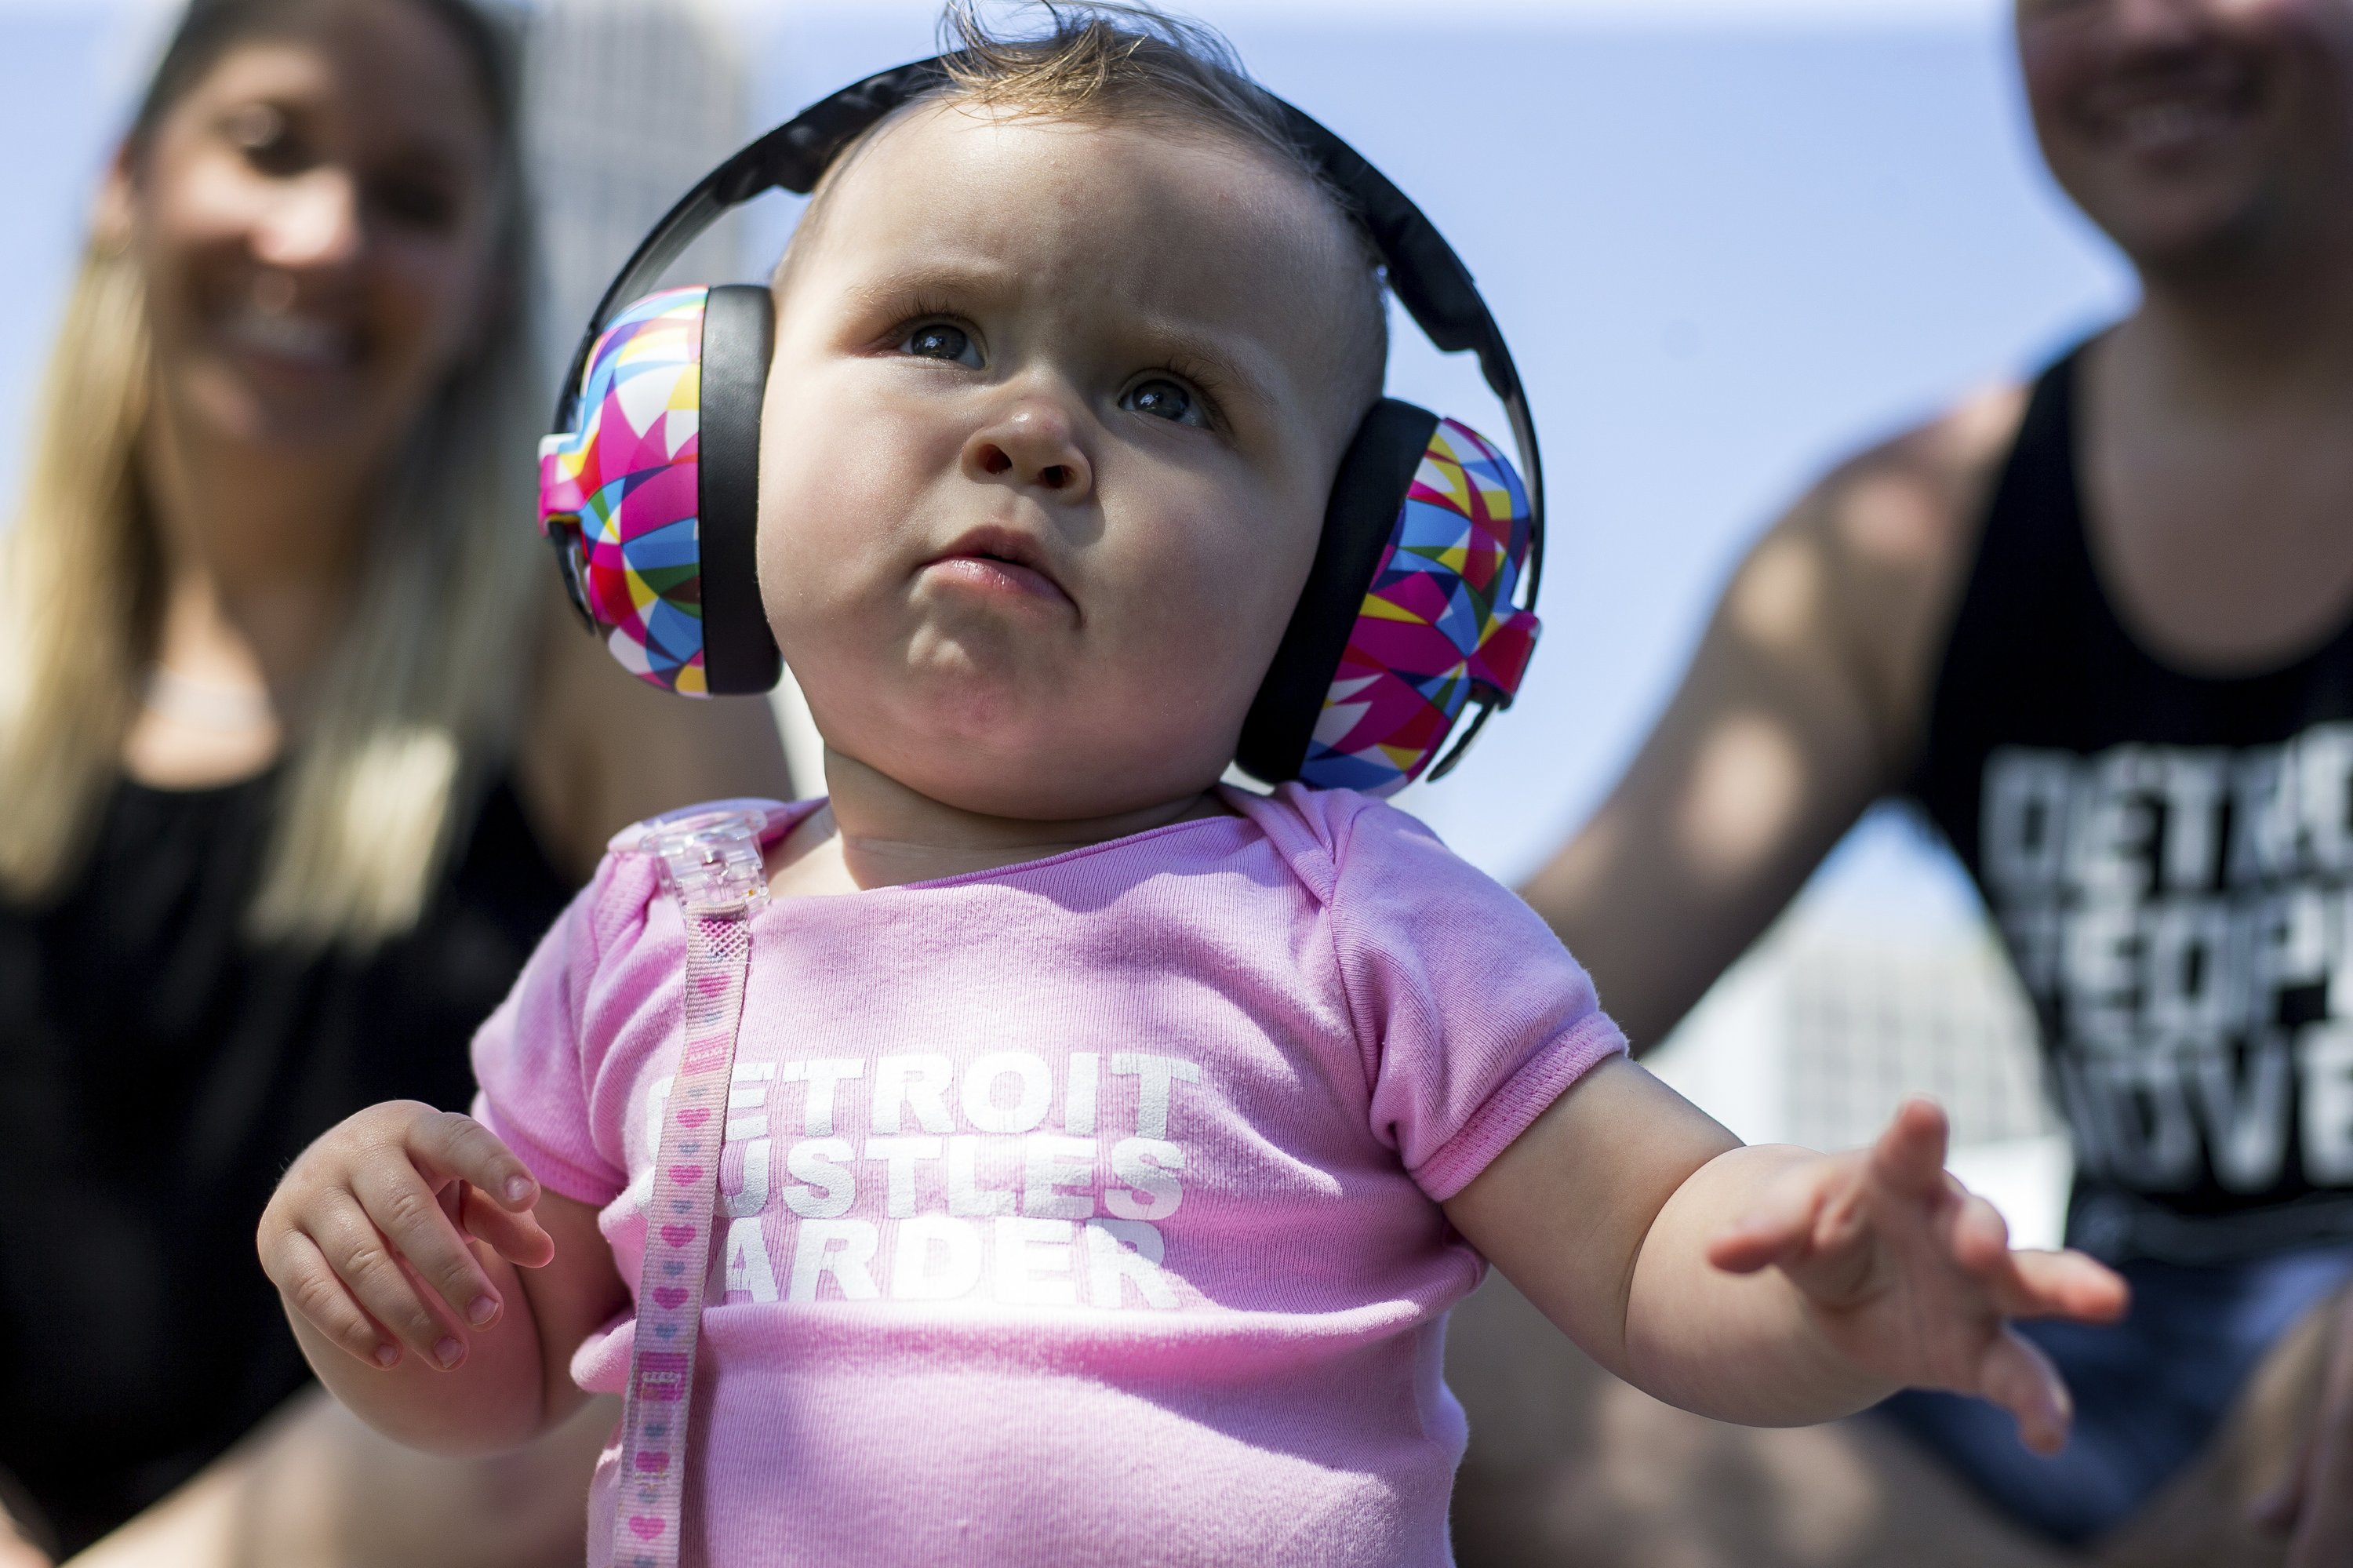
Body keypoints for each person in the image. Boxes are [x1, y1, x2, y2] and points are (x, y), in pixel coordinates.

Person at [254, 9, 2130, 1565]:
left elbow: (1646, 1244)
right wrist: (377, 1263)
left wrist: (1813, 1292)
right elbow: (505, 1371)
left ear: (1349, 591)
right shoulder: (659, 923)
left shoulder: (1354, 919)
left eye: (1169, 397)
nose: (1032, 430)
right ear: (719, 452)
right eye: (936, 335)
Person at [1449, 0, 2353, 1564]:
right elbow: (1493, 1030)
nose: (2142, 31)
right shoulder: (1903, 543)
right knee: (1422, 1334)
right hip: (2084, 1391)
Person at [0, 0, 788, 1561]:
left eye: (414, 199)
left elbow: (749, 1220)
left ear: (490, 279)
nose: (322, 235)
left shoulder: (586, 647)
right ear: (125, 178)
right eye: (268, 145)